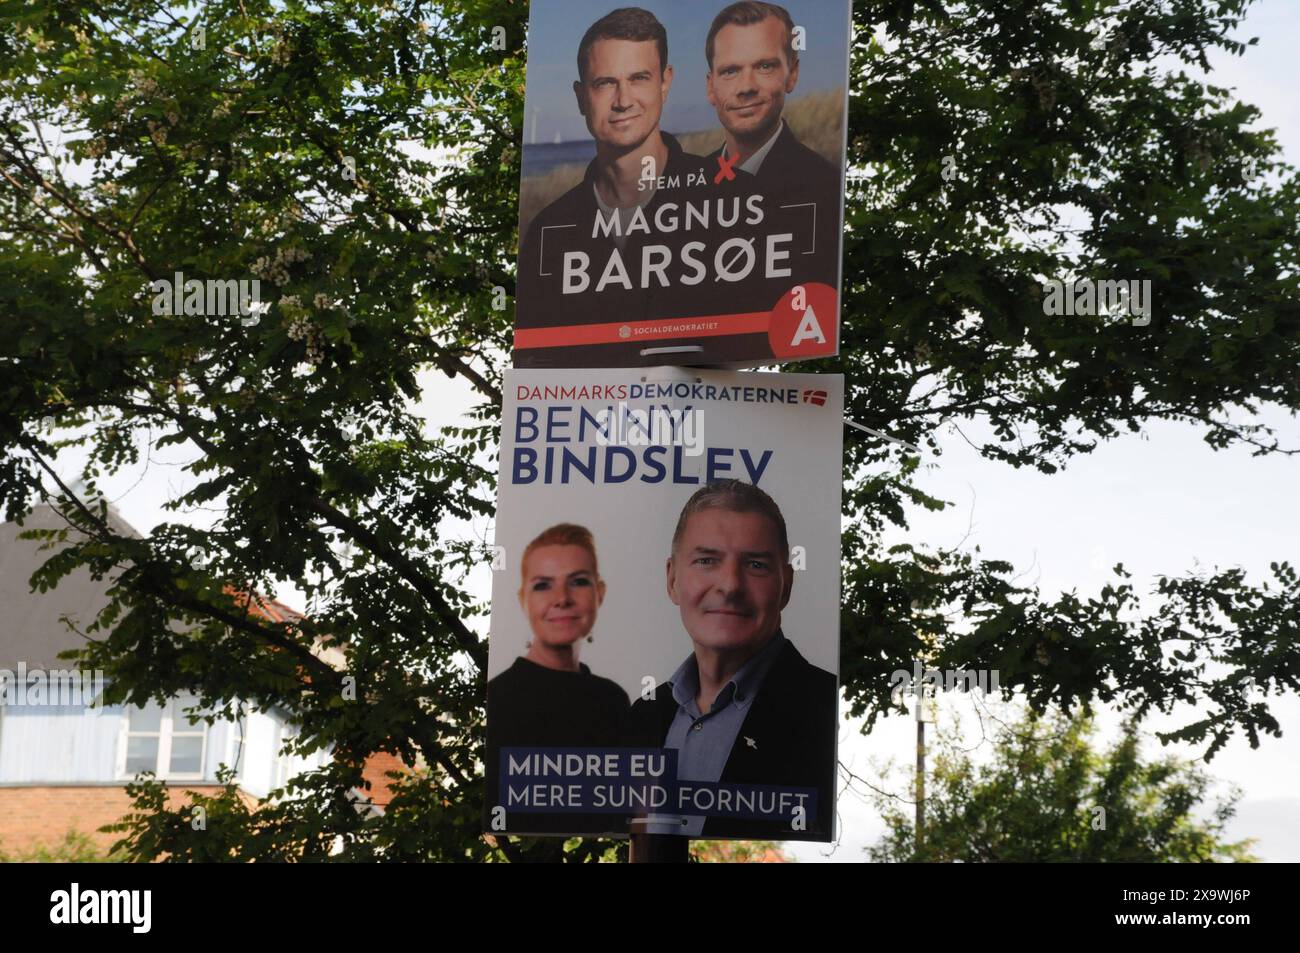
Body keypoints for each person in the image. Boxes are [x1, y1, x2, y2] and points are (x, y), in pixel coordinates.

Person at [516, 7, 738, 367]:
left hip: (706, 416)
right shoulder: (548, 232)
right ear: (580, 96)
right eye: (605, 83)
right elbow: (536, 368)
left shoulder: (732, 198)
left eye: (638, 78)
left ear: (665, 82)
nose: (622, 101)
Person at [623, 480, 837, 839]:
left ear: (786, 586)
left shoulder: (825, 708)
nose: (730, 585)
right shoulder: (642, 716)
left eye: (755, 565)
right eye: (707, 560)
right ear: (673, 579)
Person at [485, 524, 629, 833]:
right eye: (543, 585)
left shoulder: (613, 699)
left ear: (599, 593)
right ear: (523, 599)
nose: (562, 598)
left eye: (578, 581)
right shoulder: (498, 699)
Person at [702, 1, 842, 287]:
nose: (745, 87)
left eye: (765, 66)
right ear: (710, 87)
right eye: (730, 71)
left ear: (792, 74)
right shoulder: (685, 191)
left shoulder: (825, 187)